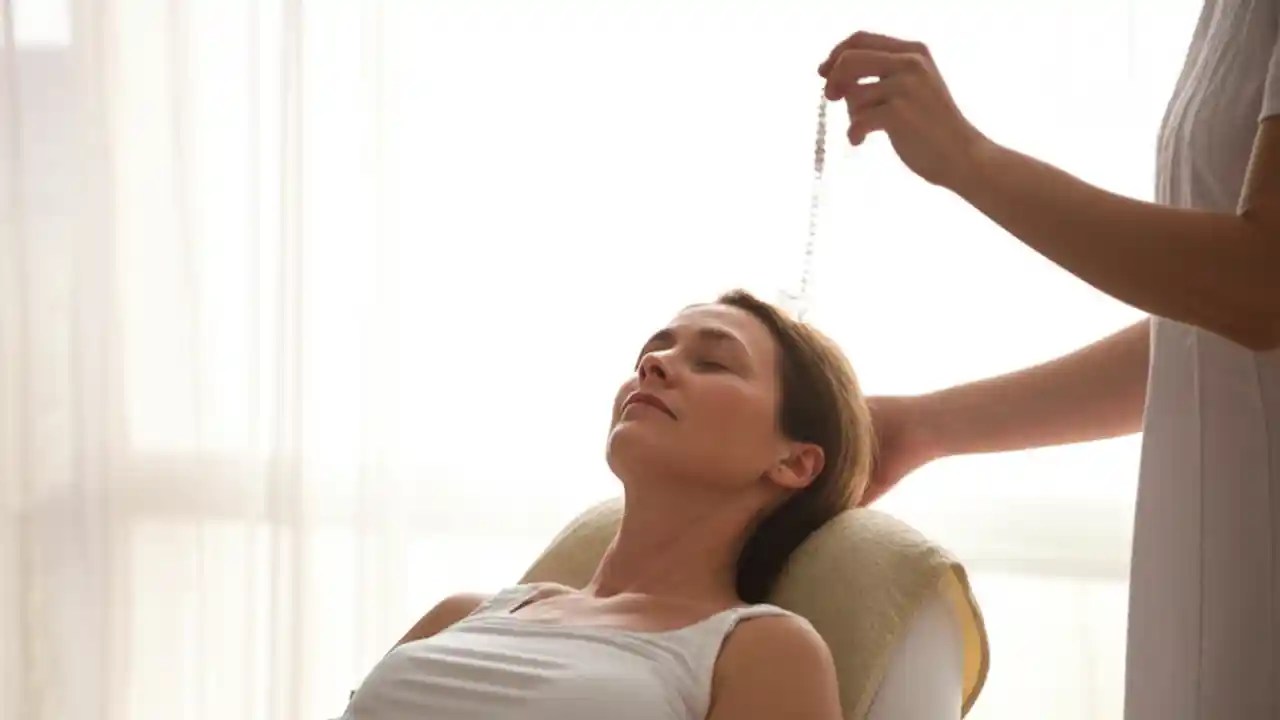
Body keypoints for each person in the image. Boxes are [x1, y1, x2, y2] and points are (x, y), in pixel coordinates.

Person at [816, 2, 1280, 716]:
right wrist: (924, 426)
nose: (657, 366)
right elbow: (1211, 325)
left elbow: (1260, 287)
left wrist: (969, 159)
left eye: (716, 359)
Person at [335, 290, 966, 720]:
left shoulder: (760, 650)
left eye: (714, 362)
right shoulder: (461, 615)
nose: (656, 365)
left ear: (794, 462)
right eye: (652, 354)